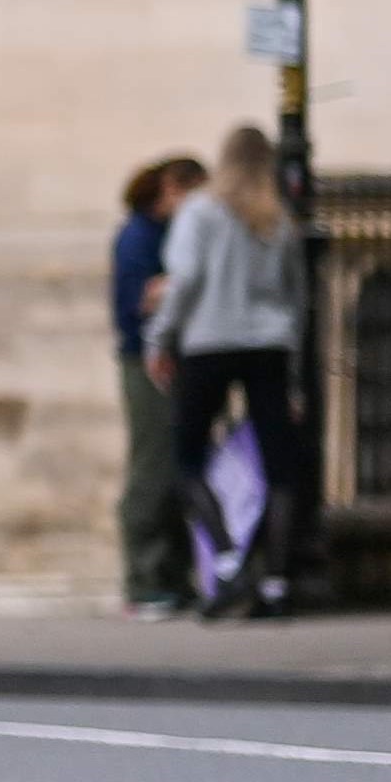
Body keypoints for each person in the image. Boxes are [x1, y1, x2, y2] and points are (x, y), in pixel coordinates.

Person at [150, 125, 307, 622]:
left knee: (187, 457)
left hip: (210, 343)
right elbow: (296, 299)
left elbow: (186, 281)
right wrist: (297, 373)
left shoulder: (200, 211)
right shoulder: (277, 218)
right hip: (269, 346)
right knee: (280, 466)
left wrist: (159, 337)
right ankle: (278, 584)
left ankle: (227, 558)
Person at [109, 157, 200, 619]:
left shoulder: (163, 233)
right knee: (152, 467)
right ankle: (144, 582)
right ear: (170, 188)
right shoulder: (138, 235)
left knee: (178, 469)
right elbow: (137, 301)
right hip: (143, 360)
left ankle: (174, 577)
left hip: (170, 356)